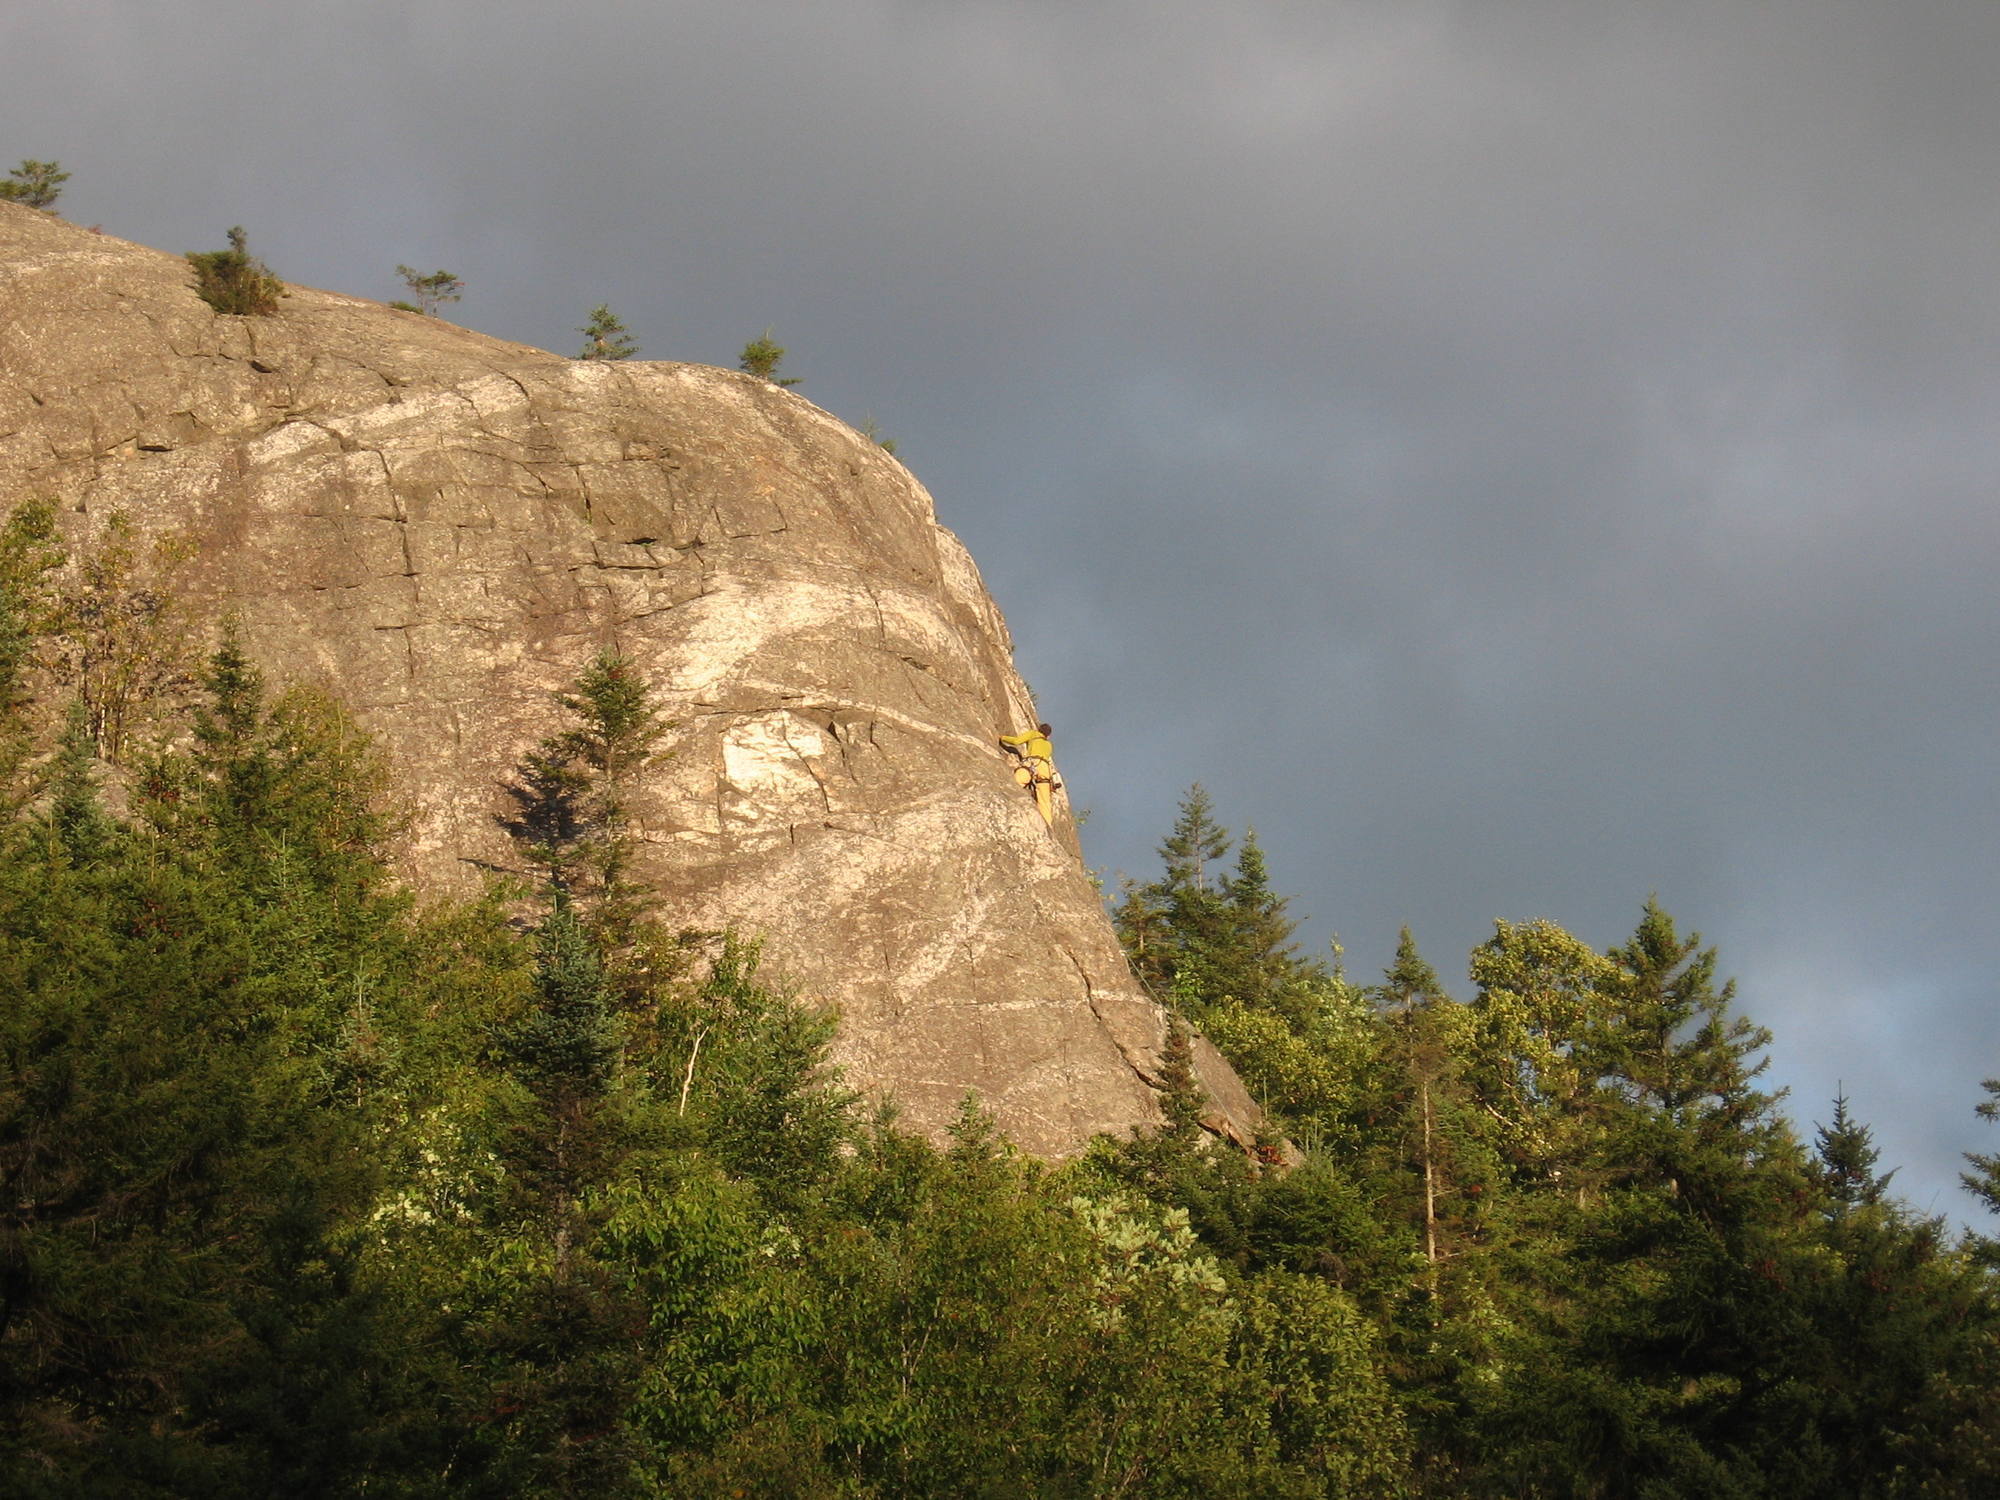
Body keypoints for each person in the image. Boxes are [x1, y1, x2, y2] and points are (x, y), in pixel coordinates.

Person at [1000, 722, 1059, 825]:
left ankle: (1006, 803)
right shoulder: (1049, 745)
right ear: (1048, 736)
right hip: (1044, 768)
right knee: (1045, 802)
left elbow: (1016, 741)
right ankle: (1048, 827)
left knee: (1016, 782)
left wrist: (1002, 737)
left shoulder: (1033, 734)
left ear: (1038, 729)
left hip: (1032, 763)